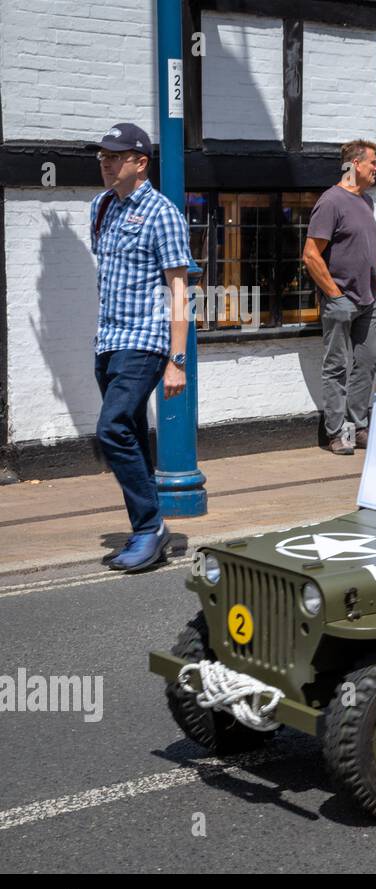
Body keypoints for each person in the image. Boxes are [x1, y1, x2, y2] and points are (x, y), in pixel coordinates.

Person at [88, 123, 192, 572]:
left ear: (141, 162)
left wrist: (177, 360)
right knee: (128, 431)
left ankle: (149, 527)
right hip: (108, 342)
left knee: (111, 428)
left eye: (116, 156)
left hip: (145, 342)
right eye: (103, 156)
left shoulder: (162, 213)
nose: (106, 162)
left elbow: (179, 289)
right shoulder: (102, 207)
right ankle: (149, 529)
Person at [303, 139, 376, 455]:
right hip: (341, 301)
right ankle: (338, 434)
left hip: (368, 300)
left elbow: (365, 243)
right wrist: (335, 295)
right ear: (355, 165)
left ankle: (358, 428)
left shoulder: (366, 201)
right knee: (337, 366)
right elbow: (311, 254)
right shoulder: (331, 201)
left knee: (365, 364)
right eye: (373, 162)